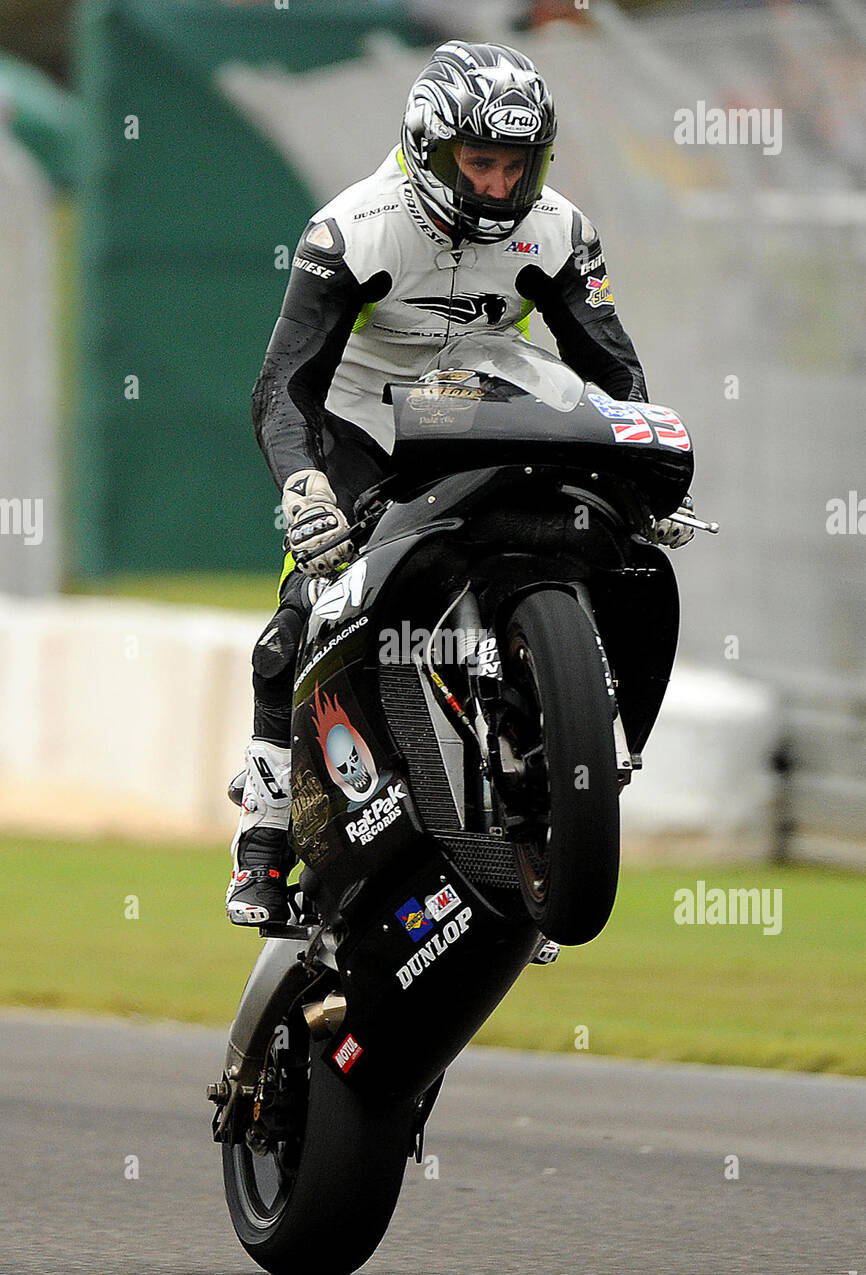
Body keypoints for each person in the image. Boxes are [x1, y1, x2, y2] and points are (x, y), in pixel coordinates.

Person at [226, 39, 694, 932]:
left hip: (489, 409)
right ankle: (267, 832)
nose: (496, 186)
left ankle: (558, 761)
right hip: (366, 422)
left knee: (600, 536)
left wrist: (638, 473)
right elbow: (283, 386)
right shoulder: (350, 231)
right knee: (309, 602)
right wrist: (306, 489)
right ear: (430, 150)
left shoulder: (557, 229)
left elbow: (613, 370)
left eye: (516, 165)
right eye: (478, 163)